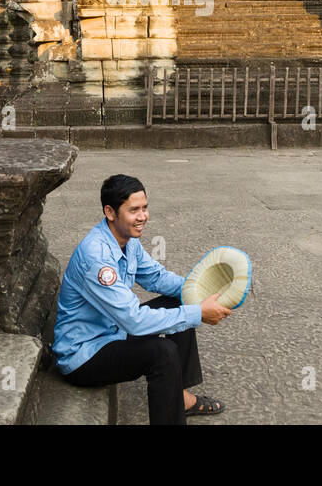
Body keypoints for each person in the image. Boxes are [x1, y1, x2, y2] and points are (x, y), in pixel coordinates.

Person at [54, 174, 232, 424]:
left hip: (114, 331)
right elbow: (134, 321)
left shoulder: (126, 239)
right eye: (134, 210)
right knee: (162, 353)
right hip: (84, 354)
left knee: (180, 301)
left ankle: (181, 397)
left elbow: (156, 277)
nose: (143, 216)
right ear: (110, 212)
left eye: (145, 208)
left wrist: (201, 291)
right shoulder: (97, 258)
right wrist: (199, 313)